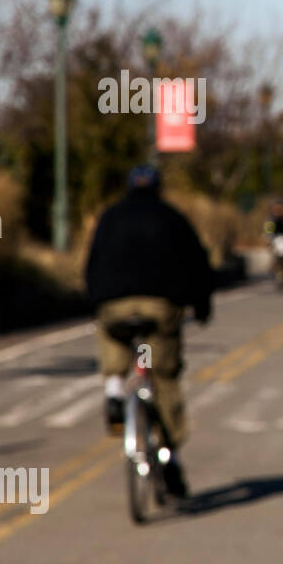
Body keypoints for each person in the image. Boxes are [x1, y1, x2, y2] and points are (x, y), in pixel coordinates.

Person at [84, 165, 214, 497]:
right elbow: (197, 264)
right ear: (158, 187)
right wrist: (201, 305)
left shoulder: (109, 218)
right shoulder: (172, 218)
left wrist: (98, 300)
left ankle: (114, 387)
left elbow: (91, 264)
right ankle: (170, 455)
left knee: (112, 336)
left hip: (114, 305)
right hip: (160, 307)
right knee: (165, 376)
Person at [264, 198, 283, 286]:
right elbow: (268, 232)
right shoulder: (271, 219)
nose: (278, 211)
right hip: (276, 240)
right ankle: (276, 271)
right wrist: (268, 240)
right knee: (276, 256)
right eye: (276, 209)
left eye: (280, 209)